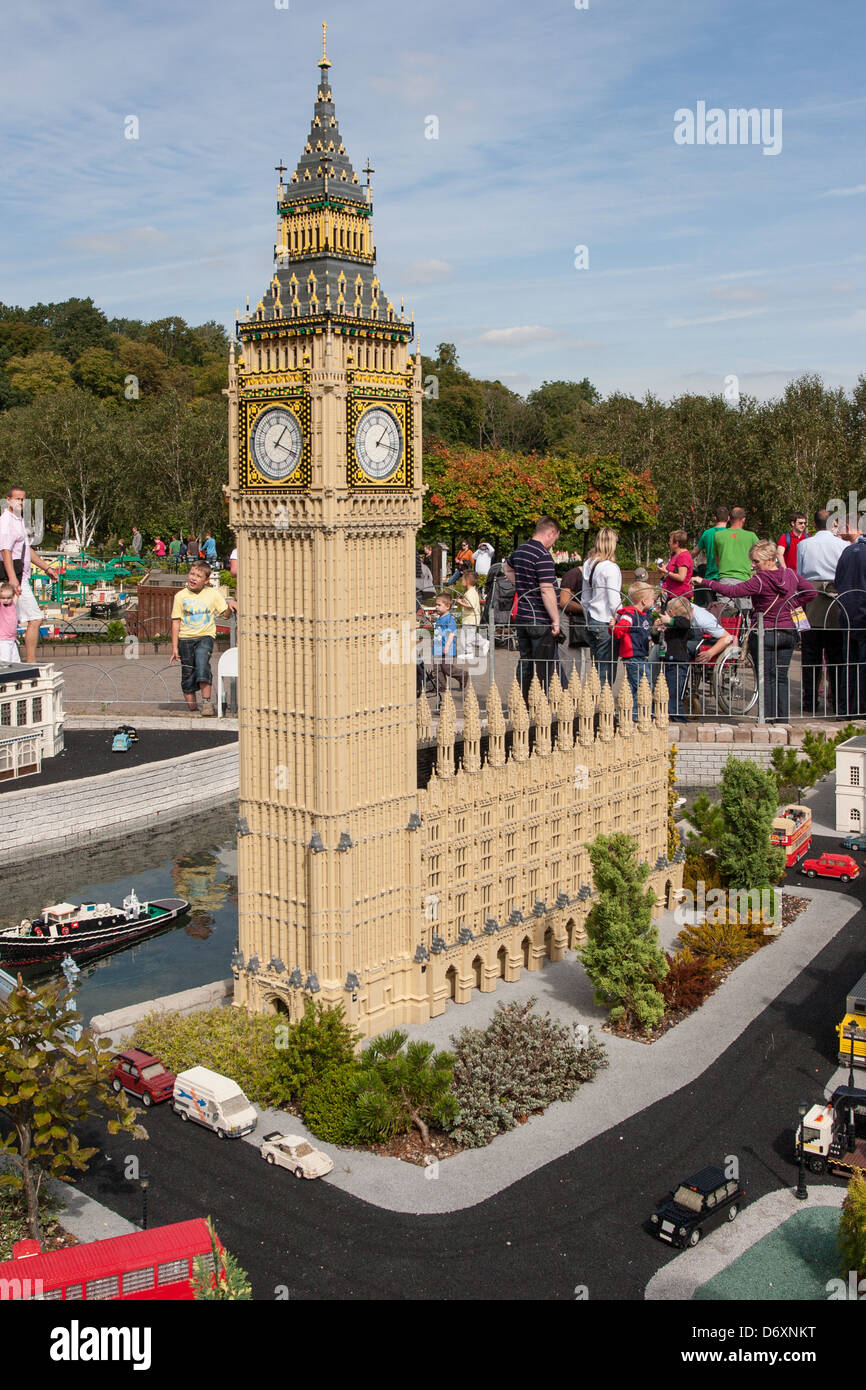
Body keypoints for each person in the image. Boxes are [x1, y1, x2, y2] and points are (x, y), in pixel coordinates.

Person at [701, 540, 817, 721]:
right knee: (781, 677)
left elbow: (731, 591)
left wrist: (705, 581)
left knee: (767, 678)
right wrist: (790, 605)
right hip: (788, 632)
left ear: (770, 559)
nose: (752, 565)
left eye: (756, 561)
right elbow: (811, 592)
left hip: (766, 633)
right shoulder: (790, 575)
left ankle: (769, 719)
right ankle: (783, 720)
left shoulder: (760, 581)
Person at [796, 508, 849, 713]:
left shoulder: (804, 544)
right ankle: (836, 700)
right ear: (832, 524)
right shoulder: (842, 545)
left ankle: (809, 701)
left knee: (810, 656)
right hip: (835, 598)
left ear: (814, 525)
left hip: (811, 597)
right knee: (836, 655)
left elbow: (800, 575)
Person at [170, 561, 238, 716]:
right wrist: (174, 647)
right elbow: (176, 622)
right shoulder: (180, 596)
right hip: (185, 639)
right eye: (192, 574)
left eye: (198, 576)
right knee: (187, 673)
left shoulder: (212, 594)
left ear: (206, 580)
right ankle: (193, 707)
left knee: (202, 664)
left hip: (205, 636)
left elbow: (225, 614)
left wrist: (230, 604)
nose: (193, 578)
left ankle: (206, 702)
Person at [0, 486, 59, 664]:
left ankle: (16, 661)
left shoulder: (18, 520)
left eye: (23, 499)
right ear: (8, 499)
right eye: (17, 499)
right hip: (15, 578)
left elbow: (27, 550)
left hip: (20, 576)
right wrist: (12, 579)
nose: (20, 502)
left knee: (10, 621)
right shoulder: (6, 522)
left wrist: (46, 568)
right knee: (35, 617)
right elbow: (5, 550)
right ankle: (30, 662)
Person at [508, 516, 562, 699]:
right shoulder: (542, 555)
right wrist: (555, 620)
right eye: (555, 539)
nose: (553, 543)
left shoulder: (520, 550)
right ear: (551, 532)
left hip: (522, 615)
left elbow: (505, 568)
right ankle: (538, 703)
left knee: (525, 661)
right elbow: (547, 590)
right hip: (539, 618)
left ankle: (521, 701)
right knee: (542, 667)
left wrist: (522, 587)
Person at [580, 528, 622, 688]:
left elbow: (585, 598)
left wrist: (588, 618)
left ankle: (594, 703)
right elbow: (614, 599)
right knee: (606, 670)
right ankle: (604, 707)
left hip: (592, 619)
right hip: (606, 621)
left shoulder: (588, 563)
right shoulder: (610, 567)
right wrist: (620, 617)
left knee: (597, 668)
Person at [834, 520, 866, 716]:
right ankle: (861, 709)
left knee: (848, 665)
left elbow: (838, 580)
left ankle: (846, 708)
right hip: (863, 614)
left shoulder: (847, 552)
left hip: (846, 613)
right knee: (862, 665)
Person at [612, 582, 654, 715]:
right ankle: (636, 713)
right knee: (644, 684)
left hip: (640, 655)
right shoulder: (630, 614)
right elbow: (620, 630)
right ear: (644, 600)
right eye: (652, 598)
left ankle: (627, 711)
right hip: (633, 656)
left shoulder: (644, 614)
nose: (653, 601)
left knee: (633, 684)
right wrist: (615, 626)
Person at [655, 596, 693, 722]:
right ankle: (671, 716)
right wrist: (656, 630)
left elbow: (685, 624)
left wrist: (670, 621)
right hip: (668, 662)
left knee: (674, 693)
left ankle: (680, 719)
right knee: (668, 691)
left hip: (678, 662)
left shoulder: (681, 623)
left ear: (671, 612)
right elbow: (656, 640)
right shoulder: (669, 625)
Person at [692, 506, 730, 607]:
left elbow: (695, 551)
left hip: (710, 577)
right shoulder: (731, 534)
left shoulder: (707, 533)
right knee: (726, 610)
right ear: (729, 518)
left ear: (714, 518)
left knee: (712, 608)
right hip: (726, 577)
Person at [712, 508, 760, 584]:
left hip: (724, 579)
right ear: (743, 519)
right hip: (744, 580)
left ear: (729, 518)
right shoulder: (751, 536)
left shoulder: (718, 535)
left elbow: (717, 559)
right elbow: (762, 554)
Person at [431, 592, 465, 693]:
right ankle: (441, 686)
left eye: (439, 605)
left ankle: (462, 675)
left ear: (447, 606)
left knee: (447, 668)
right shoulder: (440, 618)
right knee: (437, 669)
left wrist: (447, 646)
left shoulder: (450, 619)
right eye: (436, 604)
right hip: (437, 648)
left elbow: (451, 634)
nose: (436, 607)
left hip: (447, 649)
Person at [658, 530, 694, 601]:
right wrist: (663, 569)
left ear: (676, 543)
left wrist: (666, 572)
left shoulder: (683, 556)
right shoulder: (674, 554)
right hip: (672, 594)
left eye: (670, 541)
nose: (669, 543)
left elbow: (681, 577)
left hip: (680, 596)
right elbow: (672, 571)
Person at [0, 582, 20, 663]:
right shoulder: (1, 607)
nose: (6, 600)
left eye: (8, 598)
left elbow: (16, 594)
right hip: (3, 640)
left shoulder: (12, 605)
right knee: (5, 661)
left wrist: (16, 589)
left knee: (16, 662)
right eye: (3, 598)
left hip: (12, 639)